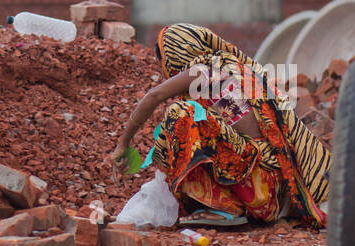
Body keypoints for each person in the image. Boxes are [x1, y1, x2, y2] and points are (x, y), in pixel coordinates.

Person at [107, 22, 330, 228]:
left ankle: (224, 208)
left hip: (255, 189)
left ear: (176, 53)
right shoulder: (235, 67)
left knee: (183, 115)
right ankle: (220, 206)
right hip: (270, 194)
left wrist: (123, 143)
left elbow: (153, 96)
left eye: (164, 61)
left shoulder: (203, 70)